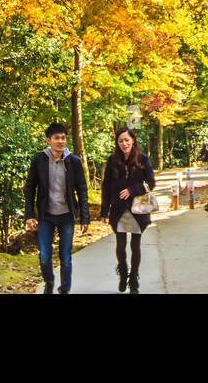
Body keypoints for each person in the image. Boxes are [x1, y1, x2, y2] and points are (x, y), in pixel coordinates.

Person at [24, 122, 89, 294]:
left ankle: (65, 288)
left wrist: (84, 217)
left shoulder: (73, 161)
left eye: (63, 138)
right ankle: (49, 281)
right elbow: (30, 188)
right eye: (56, 138)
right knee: (44, 256)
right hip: (46, 215)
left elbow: (82, 189)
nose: (60, 141)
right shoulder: (39, 160)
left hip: (67, 215)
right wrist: (29, 215)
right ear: (48, 140)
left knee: (65, 257)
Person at [99, 126, 156, 293]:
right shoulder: (112, 161)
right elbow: (106, 187)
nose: (124, 144)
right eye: (121, 141)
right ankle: (123, 273)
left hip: (137, 209)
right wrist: (104, 211)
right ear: (117, 143)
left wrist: (133, 190)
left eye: (127, 140)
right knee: (120, 244)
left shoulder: (143, 160)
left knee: (135, 244)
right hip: (118, 209)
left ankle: (134, 279)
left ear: (133, 140)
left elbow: (150, 183)